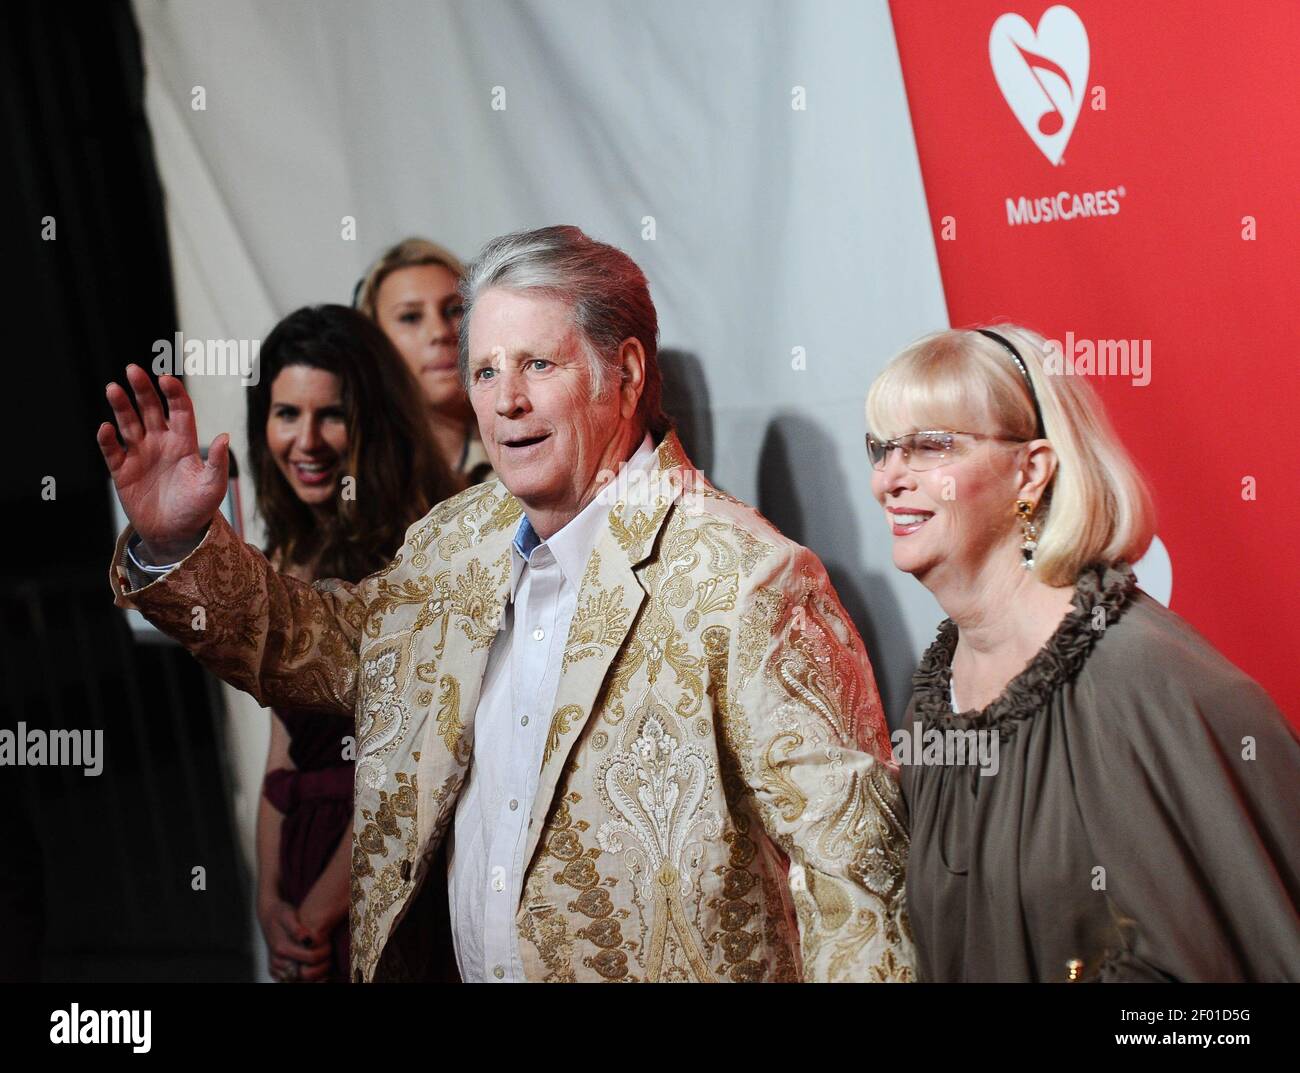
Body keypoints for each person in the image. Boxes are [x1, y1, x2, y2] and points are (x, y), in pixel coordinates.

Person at [100, 225, 913, 983]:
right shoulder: (453, 541)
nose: (505, 401)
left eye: (538, 365)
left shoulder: (747, 579)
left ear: (625, 373)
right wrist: (181, 544)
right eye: (486, 370)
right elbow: (319, 648)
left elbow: (860, 879)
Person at [865, 324, 1300, 982]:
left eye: (930, 446)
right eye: (881, 448)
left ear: (1030, 470)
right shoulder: (939, 696)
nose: (888, 480)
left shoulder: (1143, 678)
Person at [246, 305, 455, 982]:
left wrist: (317, 913)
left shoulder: (417, 548)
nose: (306, 440)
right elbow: (283, 754)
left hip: (384, 877)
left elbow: (413, 770)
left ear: (374, 418)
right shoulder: (284, 548)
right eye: (285, 414)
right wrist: (268, 897)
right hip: (303, 866)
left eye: (330, 414)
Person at [355, 237, 493, 484]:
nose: (440, 332)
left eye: (454, 310)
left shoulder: (526, 451)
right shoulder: (355, 472)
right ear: (375, 340)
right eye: (410, 317)